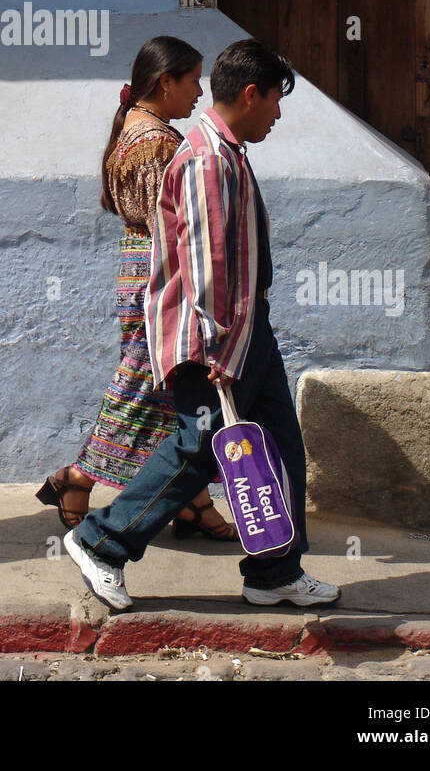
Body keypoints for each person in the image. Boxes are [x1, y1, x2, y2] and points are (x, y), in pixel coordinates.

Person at [63, 38, 340, 611]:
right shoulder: (206, 158)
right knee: (202, 448)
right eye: (275, 102)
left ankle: (276, 569)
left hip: (247, 330)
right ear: (250, 94)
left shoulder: (228, 150)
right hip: (214, 335)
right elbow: (206, 262)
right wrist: (215, 346)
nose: (279, 114)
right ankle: (101, 541)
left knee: (281, 447)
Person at [36, 37, 235, 542]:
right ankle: (77, 479)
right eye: (192, 81)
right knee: (144, 384)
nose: (199, 93)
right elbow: (167, 226)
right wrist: (196, 293)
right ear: (165, 82)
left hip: (140, 266)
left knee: (173, 391)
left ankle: (195, 504)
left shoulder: (136, 130)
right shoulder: (156, 142)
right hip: (159, 275)